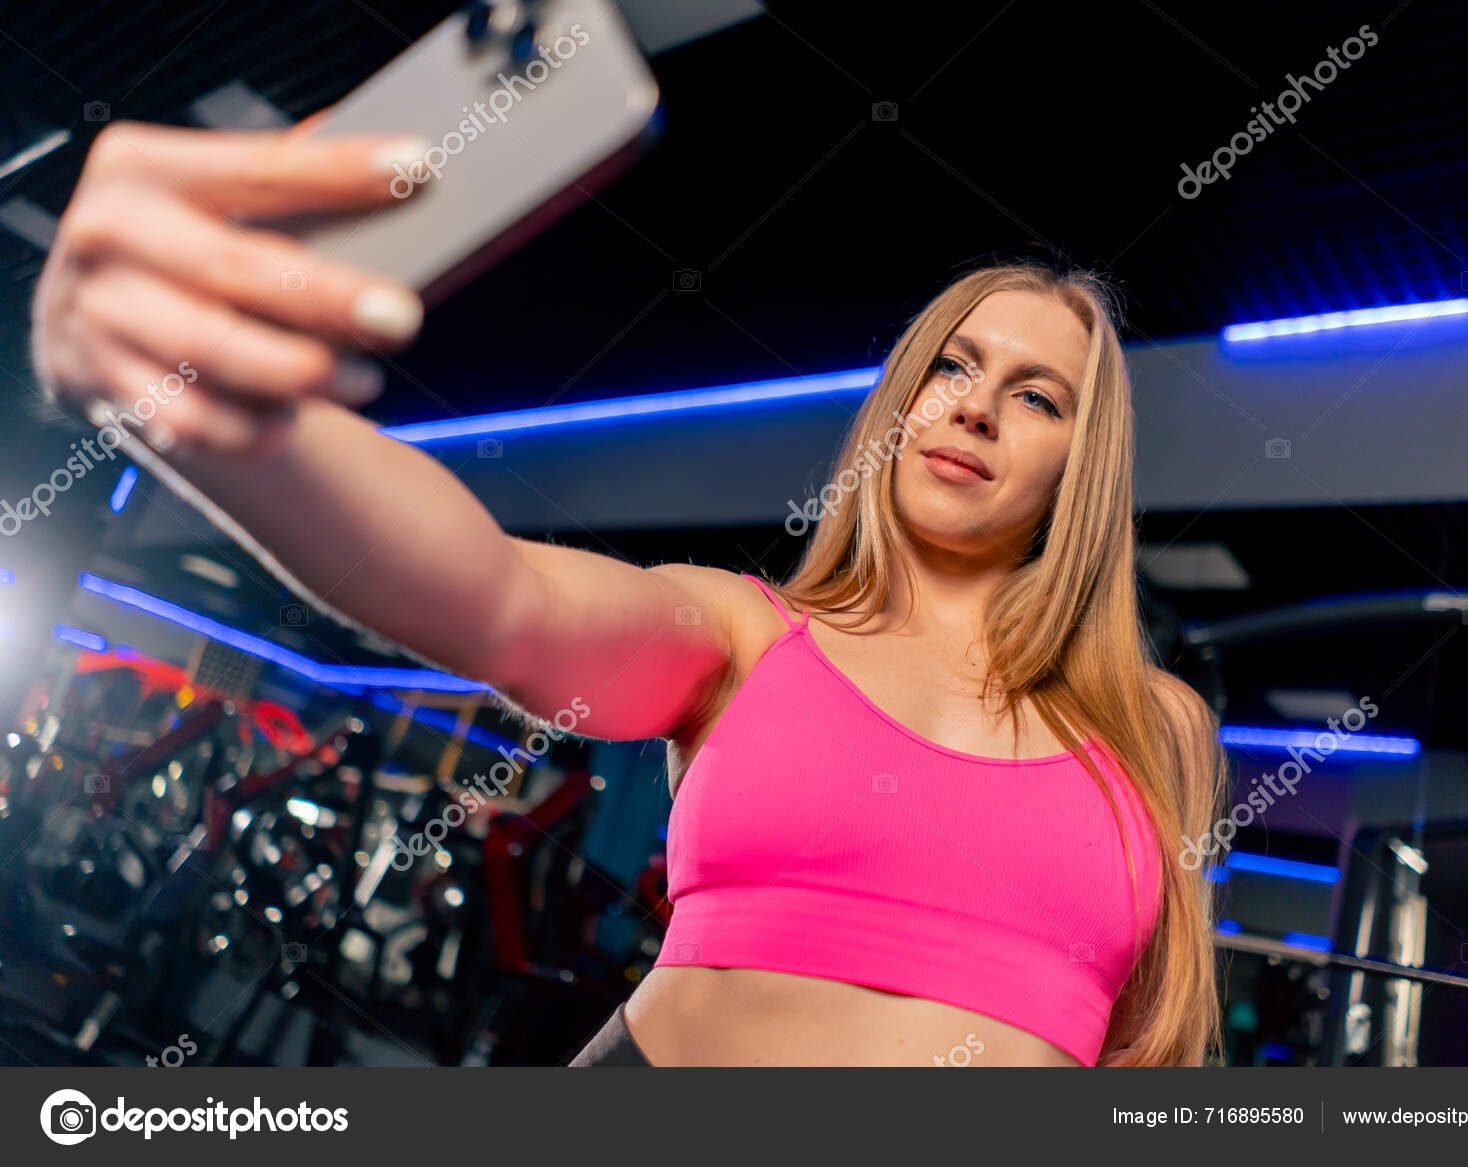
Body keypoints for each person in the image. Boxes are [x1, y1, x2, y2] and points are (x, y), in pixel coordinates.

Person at [30, 120, 1227, 1067]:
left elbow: (1148, 1056)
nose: (973, 404)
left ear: (1083, 464)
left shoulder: (1154, 726)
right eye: (952, 367)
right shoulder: (746, 636)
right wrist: (186, 399)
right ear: (903, 404)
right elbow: (496, 598)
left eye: (1036, 394)